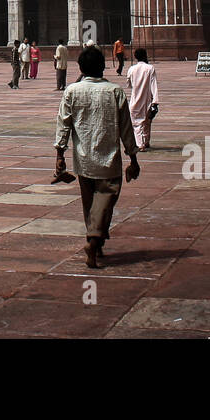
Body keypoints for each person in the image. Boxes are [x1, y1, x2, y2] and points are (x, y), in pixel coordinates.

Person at [54, 46, 140, 269]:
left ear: (81, 68)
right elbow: (126, 128)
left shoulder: (72, 91)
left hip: (83, 159)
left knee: (90, 202)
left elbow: (63, 124)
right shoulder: (114, 91)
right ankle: (93, 241)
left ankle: (95, 239)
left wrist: (60, 154)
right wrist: (133, 157)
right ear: (102, 66)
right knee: (105, 200)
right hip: (109, 159)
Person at [125, 47, 159, 151]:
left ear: (135, 57)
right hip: (147, 99)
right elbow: (154, 85)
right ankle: (146, 141)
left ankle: (140, 144)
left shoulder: (131, 69)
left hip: (135, 99)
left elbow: (129, 84)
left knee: (136, 123)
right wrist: (155, 101)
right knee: (147, 121)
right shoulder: (150, 68)